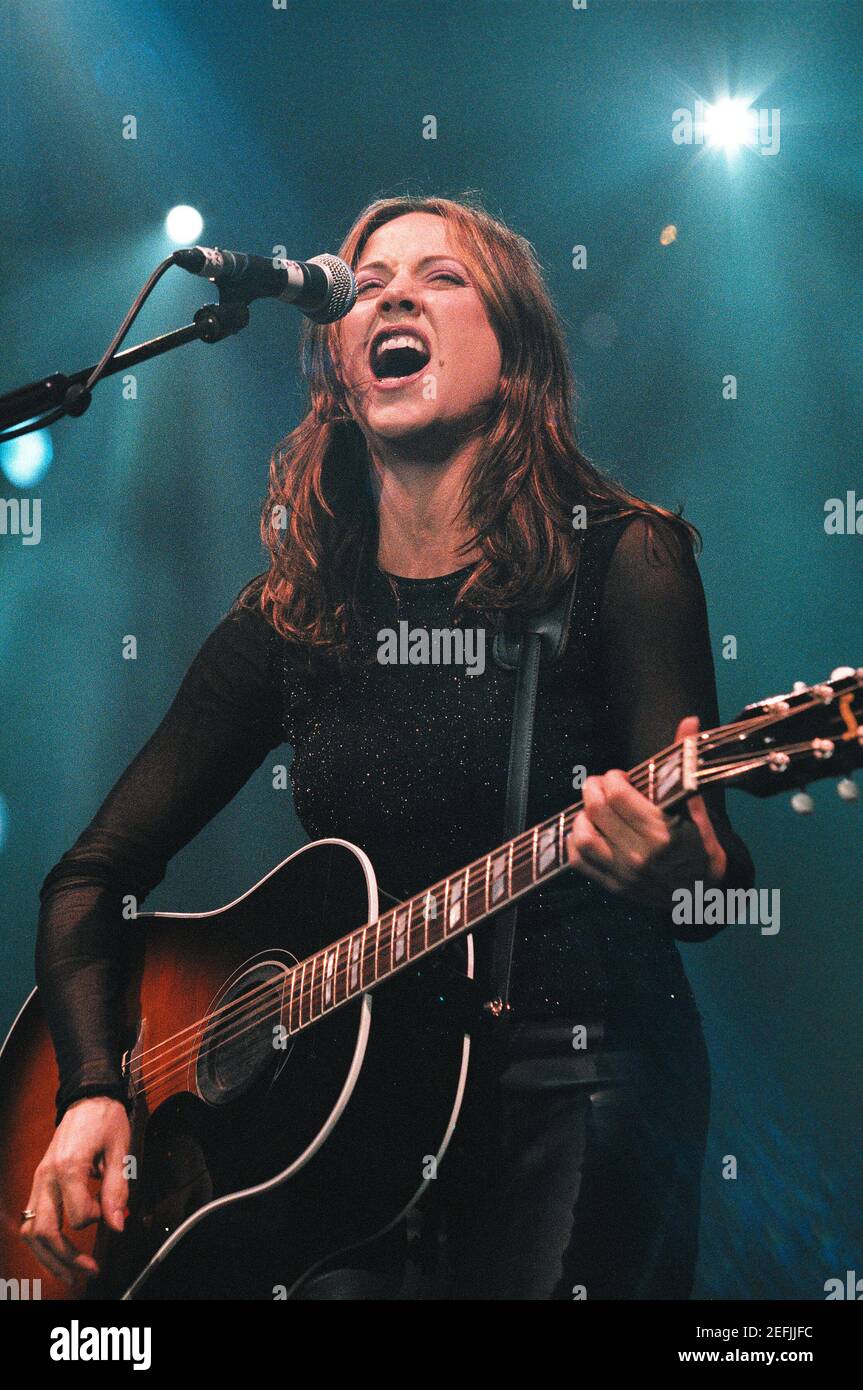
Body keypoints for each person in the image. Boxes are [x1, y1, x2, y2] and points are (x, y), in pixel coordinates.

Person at [22, 193, 754, 1299]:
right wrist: (91, 1087)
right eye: (366, 282)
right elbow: (91, 875)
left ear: (514, 360)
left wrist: (684, 869)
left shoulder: (620, 562)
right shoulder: (293, 614)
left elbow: (716, 868)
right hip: (342, 1139)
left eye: (442, 277)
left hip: (573, 1091)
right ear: (336, 370)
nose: (394, 293)